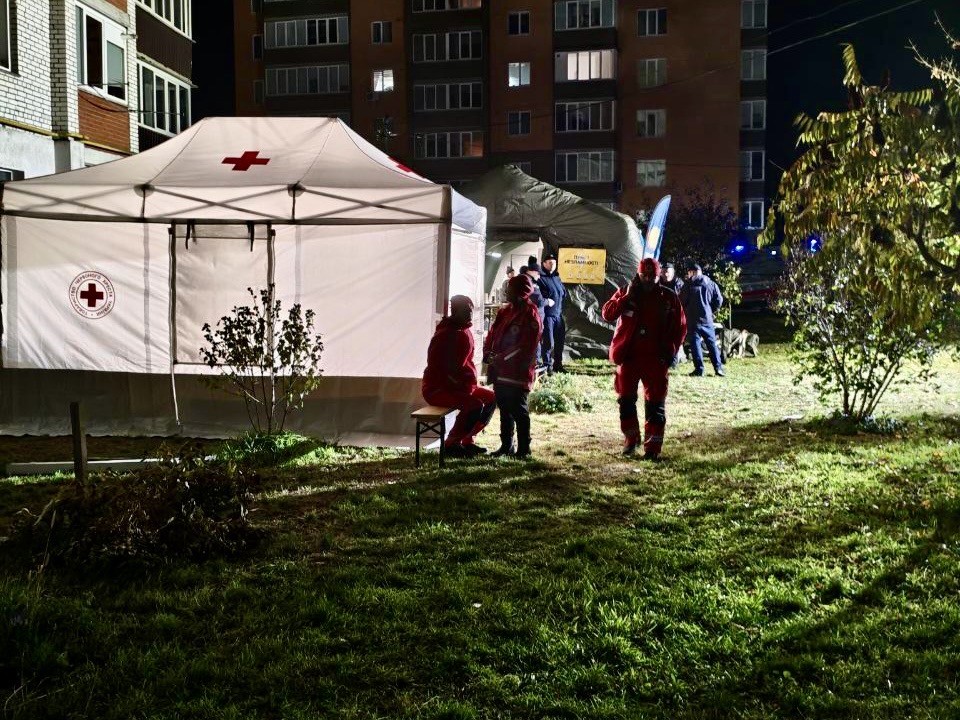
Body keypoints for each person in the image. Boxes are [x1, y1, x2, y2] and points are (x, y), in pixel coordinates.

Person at [601, 257, 687, 460]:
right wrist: (625, 298)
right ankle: (631, 440)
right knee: (626, 401)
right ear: (638, 274)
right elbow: (607, 314)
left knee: (656, 403)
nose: (648, 279)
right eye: (645, 275)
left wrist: (671, 351)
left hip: (655, 359)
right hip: (628, 358)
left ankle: (653, 448)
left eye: (652, 276)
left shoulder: (668, 297)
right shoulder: (626, 292)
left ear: (659, 276)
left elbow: (680, 327)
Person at [421, 295, 496, 457]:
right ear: (456, 312)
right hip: (439, 388)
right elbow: (440, 367)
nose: (470, 313)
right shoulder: (445, 334)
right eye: (466, 310)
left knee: (491, 399)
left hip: (463, 386)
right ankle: (451, 443)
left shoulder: (465, 330)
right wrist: (460, 387)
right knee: (474, 405)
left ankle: (467, 440)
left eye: (471, 310)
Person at [483, 274, 543, 458]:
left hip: (518, 372)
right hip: (500, 371)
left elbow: (527, 346)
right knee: (505, 409)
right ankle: (506, 446)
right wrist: (488, 353)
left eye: (510, 288)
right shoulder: (504, 312)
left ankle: (524, 449)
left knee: (519, 410)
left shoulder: (530, 314)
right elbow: (492, 334)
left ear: (520, 292)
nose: (506, 291)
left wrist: (502, 358)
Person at [679, 263, 725, 377]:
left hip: (693, 320)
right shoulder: (711, 283)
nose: (688, 275)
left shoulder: (688, 285)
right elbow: (719, 300)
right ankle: (718, 368)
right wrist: (711, 310)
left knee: (695, 345)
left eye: (689, 272)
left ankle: (699, 369)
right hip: (707, 319)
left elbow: (682, 301)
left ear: (692, 272)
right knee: (712, 344)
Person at [537, 252, 567, 374]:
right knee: (548, 342)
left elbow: (563, 292)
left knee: (560, 342)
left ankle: (558, 365)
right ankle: (547, 367)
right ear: (544, 264)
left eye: (554, 262)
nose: (552, 264)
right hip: (548, 316)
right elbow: (539, 298)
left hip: (558, 315)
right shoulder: (540, 279)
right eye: (549, 262)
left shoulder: (557, 277)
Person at [520, 257, 546, 368]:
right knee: (535, 341)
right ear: (534, 272)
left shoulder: (526, 280)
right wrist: (548, 302)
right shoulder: (529, 283)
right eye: (538, 274)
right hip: (533, 318)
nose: (539, 276)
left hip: (531, 317)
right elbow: (538, 300)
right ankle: (536, 364)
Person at [660, 262, 685, 368]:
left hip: (675, 314)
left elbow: (684, 300)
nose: (666, 274)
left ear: (673, 272)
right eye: (664, 271)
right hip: (662, 314)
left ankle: (673, 361)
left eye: (668, 272)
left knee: (675, 338)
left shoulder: (679, 284)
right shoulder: (658, 283)